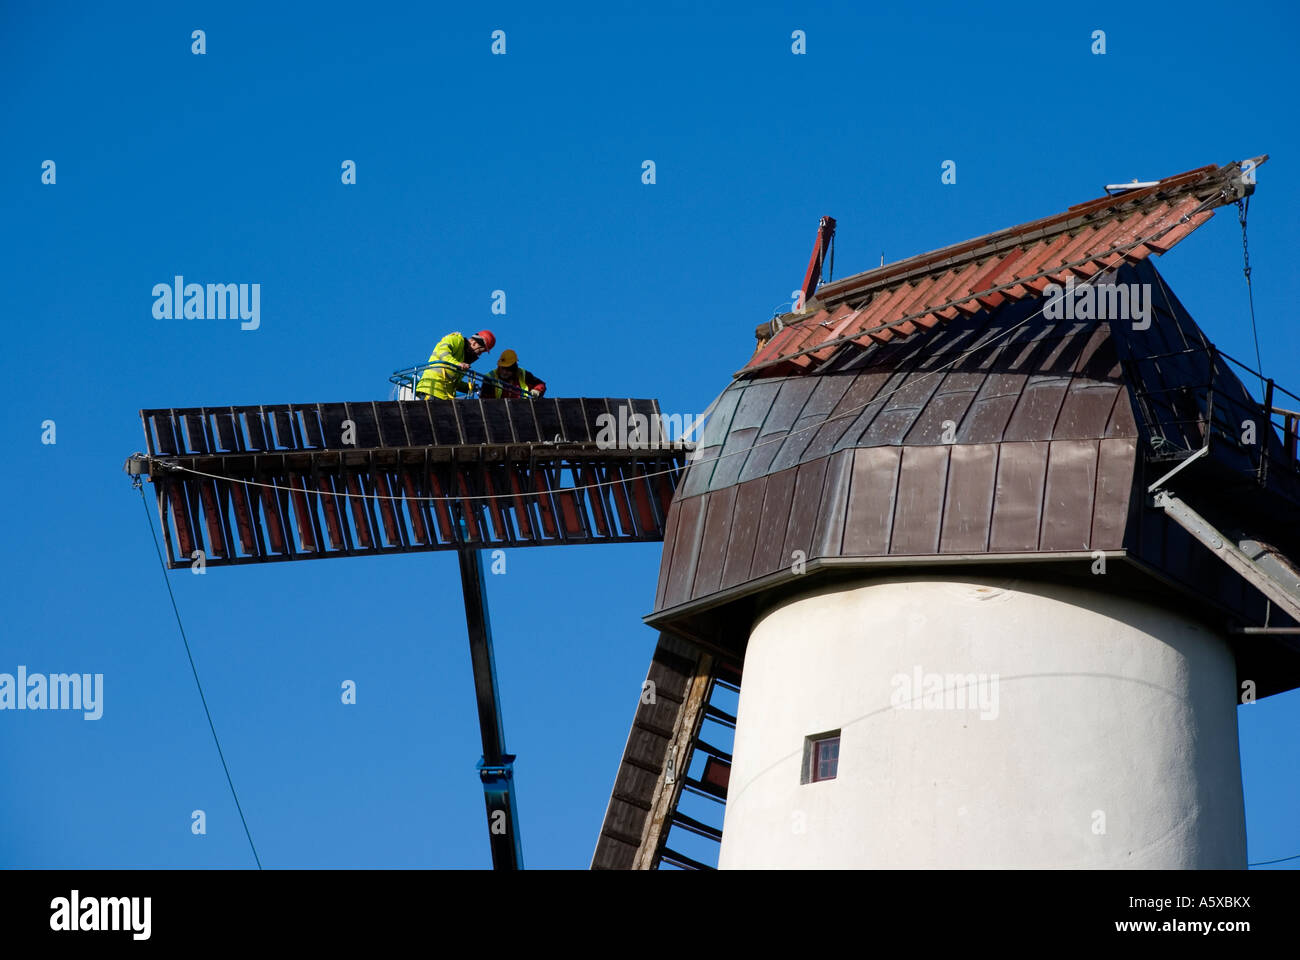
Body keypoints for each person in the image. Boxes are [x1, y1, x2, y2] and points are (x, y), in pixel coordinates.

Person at [415, 330, 495, 400]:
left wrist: (471, 387)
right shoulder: (456, 339)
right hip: (431, 390)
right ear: (474, 343)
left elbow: (455, 383)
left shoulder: (463, 358)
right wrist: (457, 364)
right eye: (481, 351)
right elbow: (442, 352)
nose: (479, 354)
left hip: (444, 396)